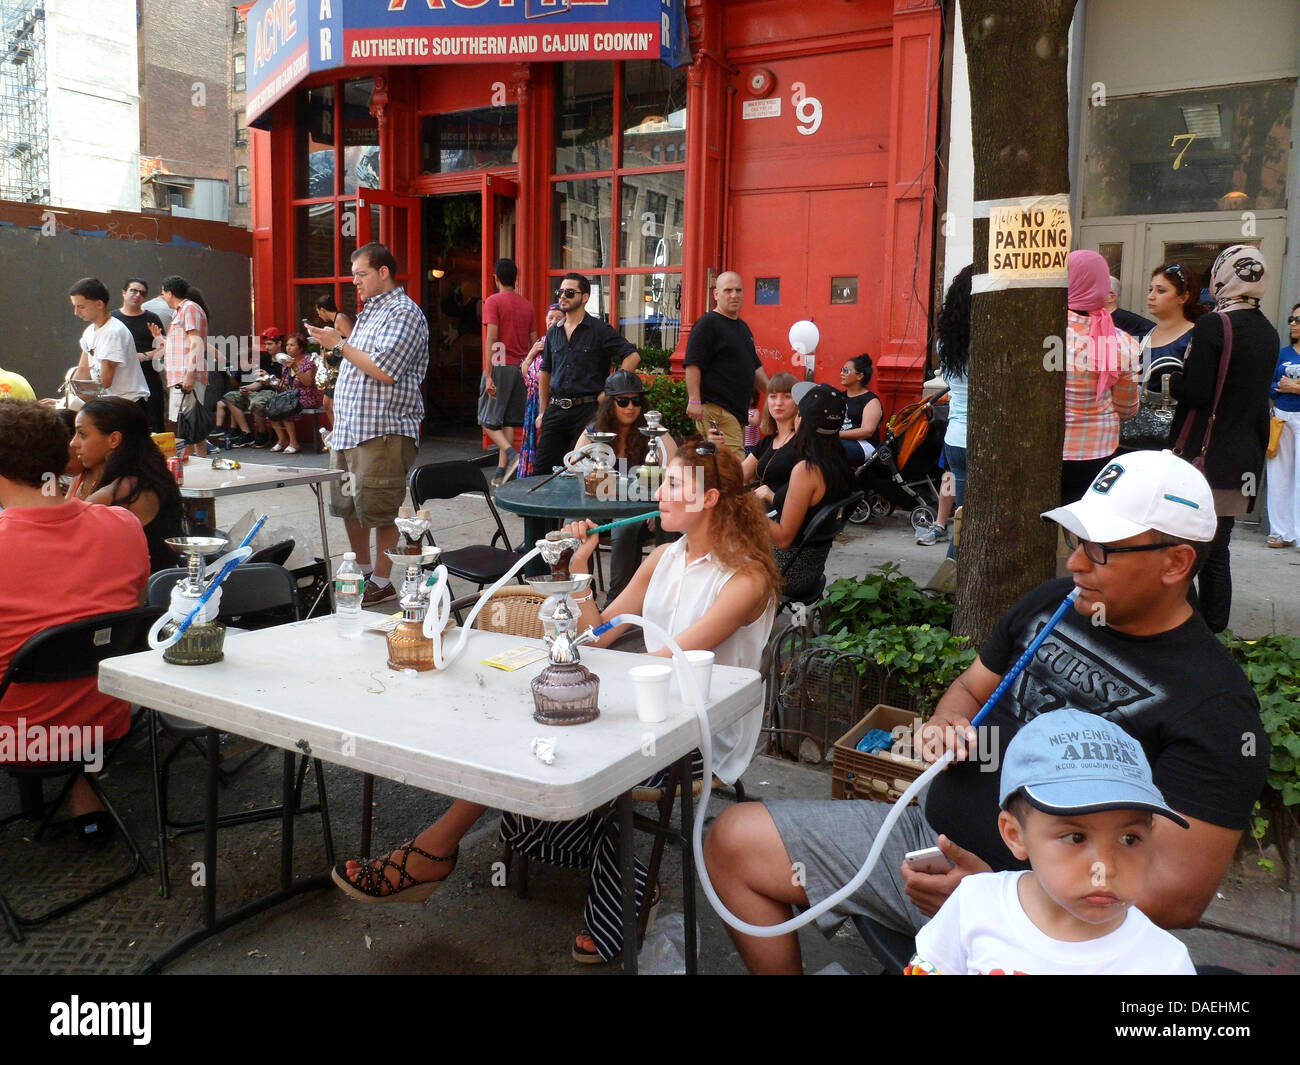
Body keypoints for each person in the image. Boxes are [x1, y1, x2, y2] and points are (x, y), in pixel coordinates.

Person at [704, 450, 1267, 974]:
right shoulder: (1054, 604)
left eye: (1100, 550)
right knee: (731, 843)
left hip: (1051, 921)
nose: (1074, 561)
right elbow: (971, 690)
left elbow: (1177, 894)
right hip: (924, 841)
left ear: (1176, 563)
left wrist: (1006, 898)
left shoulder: (1215, 708)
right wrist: (948, 720)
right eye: (1075, 540)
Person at [332, 440, 780, 965]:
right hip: (645, 699)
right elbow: (604, 634)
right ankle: (615, 875)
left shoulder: (746, 577)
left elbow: (670, 657)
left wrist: (577, 682)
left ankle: (437, 852)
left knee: (547, 728)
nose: (659, 493)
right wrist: (580, 569)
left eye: (675, 485)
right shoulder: (665, 557)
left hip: (702, 727)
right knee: (527, 728)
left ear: (710, 499)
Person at [906, 708, 1195, 975]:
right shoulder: (973, 903)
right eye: (1076, 837)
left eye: (1130, 839)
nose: (1104, 868)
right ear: (1015, 835)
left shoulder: (1165, 963)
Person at [0, 402, 150, 841]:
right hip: (106, 720)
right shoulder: (122, 524)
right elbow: (119, 615)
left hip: (18, 735)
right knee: (76, 645)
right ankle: (82, 791)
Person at [305, 242, 429, 607]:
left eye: (361, 274)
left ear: (384, 272)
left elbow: (385, 370)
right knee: (349, 506)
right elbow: (359, 363)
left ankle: (381, 579)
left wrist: (339, 344)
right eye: (354, 274)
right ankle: (361, 572)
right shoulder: (371, 312)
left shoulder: (404, 312)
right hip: (349, 430)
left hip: (382, 431)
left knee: (381, 508)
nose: (355, 281)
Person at [1168, 245, 1279, 633]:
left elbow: (1197, 393)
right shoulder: (1269, 331)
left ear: (1223, 276)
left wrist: (1172, 379)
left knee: (1181, 550)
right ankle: (1215, 633)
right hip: (1241, 456)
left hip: (1203, 456)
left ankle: (1188, 632)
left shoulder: (1215, 325)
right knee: (1217, 552)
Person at [572, 370, 677, 602]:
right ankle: (577, 596)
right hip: (599, 508)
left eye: (636, 401)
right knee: (573, 525)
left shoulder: (652, 434)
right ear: (611, 404)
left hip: (635, 511)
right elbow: (573, 465)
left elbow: (673, 469)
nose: (631, 407)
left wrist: (655, 507)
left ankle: (617, 600)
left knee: (625, 526)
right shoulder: (595, 430)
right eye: (623, 401)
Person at [534, 272, 639, 476]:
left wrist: (610, 392)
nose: (563, 296)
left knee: (580, 471)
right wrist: (542, 410)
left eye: (570, 292)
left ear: (585, 297)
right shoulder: (553, 332)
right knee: (541, 471)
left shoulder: (600, 330)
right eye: (560, 292)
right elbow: (545, 370)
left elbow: (632, 357)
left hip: (588, 411)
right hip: (555, 410)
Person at [1061, 250, 1140, 504]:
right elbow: (1127, 409)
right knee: (1089, 526)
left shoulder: (1042, 335)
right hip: (1100, 453)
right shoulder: (1123, 342)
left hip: (1047, 451)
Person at [762, 382, 854, 599]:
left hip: (785, 572)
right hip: (811, 568)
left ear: (800, 420)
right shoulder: (840, 464)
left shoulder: (807, 470)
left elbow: (784, 540)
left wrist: (744, 509)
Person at [73, 398, 184, 573]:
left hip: (134, 593)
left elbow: (66, 540)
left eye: (82, 434)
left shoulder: (116, 493)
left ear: (114, 439)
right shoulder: (147, 477)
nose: (74, 443)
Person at [1120, 263, 1204, 453]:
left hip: (1171, 444)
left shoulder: (1195, 339)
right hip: (1129, 441)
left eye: (1161, 290)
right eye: (1150, 289)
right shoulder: (1145, 334)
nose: (1151, 296)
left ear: (1183, 297)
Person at [684, 270, 769, 457]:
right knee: (733, 465)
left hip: (735, 411)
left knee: (722, 466)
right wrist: (694, 400)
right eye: (727, 290)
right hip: (717, 409)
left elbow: (754, 365)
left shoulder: (742, 327)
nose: (734, 295)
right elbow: (692, 363)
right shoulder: (708, 324)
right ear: (716, 294)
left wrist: (775, 392)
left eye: (738, 290)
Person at [924, 265, 972, 552]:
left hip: (955, 435)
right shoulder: (989, 342)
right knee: (969, 518)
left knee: (963, 512)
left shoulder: (946, 342)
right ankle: (955, 569)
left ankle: (954, 561)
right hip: (976, 437)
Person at [480, 258, 537, 486]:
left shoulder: (493, 302)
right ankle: (501, 472)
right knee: (508, 422)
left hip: (500, 363)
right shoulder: (527, 305)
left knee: (485, 419)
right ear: (516, 278)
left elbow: (492, 337)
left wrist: (488, 372)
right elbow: (534, 341)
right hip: (521, 367)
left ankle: (512, 455)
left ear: (496, 278)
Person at [68, 278, 150, 409]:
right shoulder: (89, 332)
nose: (76, 312)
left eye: (81, 307)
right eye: (75, 307)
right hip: (110, 404)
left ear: (99, 304)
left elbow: (105, 382)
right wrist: (65, 400)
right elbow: (82, 372)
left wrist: (74, 397)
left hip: (128, 405)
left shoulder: (113, 332)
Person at [159, 275, 210, 457]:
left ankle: (191, 466)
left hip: (186, 376)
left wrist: (190, 374)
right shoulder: (181, 311)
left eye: (163, 292)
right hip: (181, 376)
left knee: (188, 424)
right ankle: (192, 465)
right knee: (188, 424)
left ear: (170, 293)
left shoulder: (189, 309)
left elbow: (195, 342)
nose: (162, 296)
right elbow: (180, 344)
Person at [1266, 302, 1300, 548]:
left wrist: (1295, 387)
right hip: (1281, 417)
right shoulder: (1284, 353)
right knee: (1279, 475)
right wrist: (1279, 389)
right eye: (1292, 318)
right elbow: (1270, 384)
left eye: (1298, 320)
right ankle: (1280, 532)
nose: (1293, 323)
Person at [113, 278, 167, 431]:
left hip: (148, 379)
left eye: (142, 293)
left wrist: (144, 356)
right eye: (133, 290)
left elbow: (164, 348)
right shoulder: (113, 319)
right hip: (121, 381)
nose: (137, 295)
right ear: (124, 293)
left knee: (155, 426)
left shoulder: (152, 319)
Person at [519, 303, 562, 477]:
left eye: (558, 319)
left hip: (551, 401)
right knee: (532, 442)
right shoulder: (540, 342)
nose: (553, 321)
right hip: (533, 400)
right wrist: (531, 353)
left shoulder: (562, 344)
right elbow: (524, 372)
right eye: (550, 318)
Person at [742, 371, 799, 502]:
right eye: (773, 396)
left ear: (797, 402)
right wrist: (718, 447)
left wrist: (772, 496)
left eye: (787, 396)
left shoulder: (803, 441)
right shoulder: (767, 442)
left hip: (779, 517)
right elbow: (739, 475)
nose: (778, 403)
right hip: (759, 511)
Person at [264, 331, 320, 455]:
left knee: (285, 407)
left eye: (292, 345)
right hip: (293, 395)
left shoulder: (308, 361)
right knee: (272, 405)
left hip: (308, 395)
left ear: (300, 347)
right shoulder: (286, 363)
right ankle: (282, 439)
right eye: (287, 345)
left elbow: (308, 383)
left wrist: (295, 367)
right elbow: (287, 386)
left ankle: (294, 442)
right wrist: (272, 381)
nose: (288, 348)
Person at [314, 293, 354, 431]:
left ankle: (339, 435)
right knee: (328, 403)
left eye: (318, 312)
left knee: (329, 403)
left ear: (322, 309)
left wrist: (332, 351)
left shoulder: (341, 319)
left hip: (344, 366)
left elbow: (353, 342)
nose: (319, 315)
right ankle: (337, 434)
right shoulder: (337, 320)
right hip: (338, 366)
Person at [838, 353, 883, 467]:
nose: (841, 374)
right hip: (839, 440)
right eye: (842, 370)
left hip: (863, 444)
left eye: (846, 371)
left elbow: (867, 431)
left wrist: (837, 434)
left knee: (832, 448)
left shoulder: (871, 401)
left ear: (859, 376)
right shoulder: (839, 397)